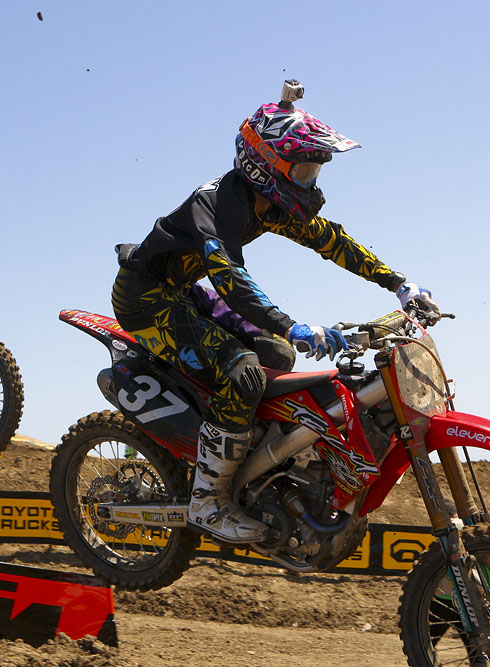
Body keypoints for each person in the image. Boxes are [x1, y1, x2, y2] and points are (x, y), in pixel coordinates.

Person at [112, 80, 439, 543]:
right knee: (243, 371)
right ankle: (208, 498)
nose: (311, 182)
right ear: (265, 164)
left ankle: (255, 462)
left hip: (185, 293)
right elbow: (229, 280)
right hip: (146, 300)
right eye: (303, 169)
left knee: (278, 355)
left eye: (314, 172)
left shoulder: (270, 203)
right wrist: (293, 323)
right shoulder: (215, 204)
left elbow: (332, 241)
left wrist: (399, 284)